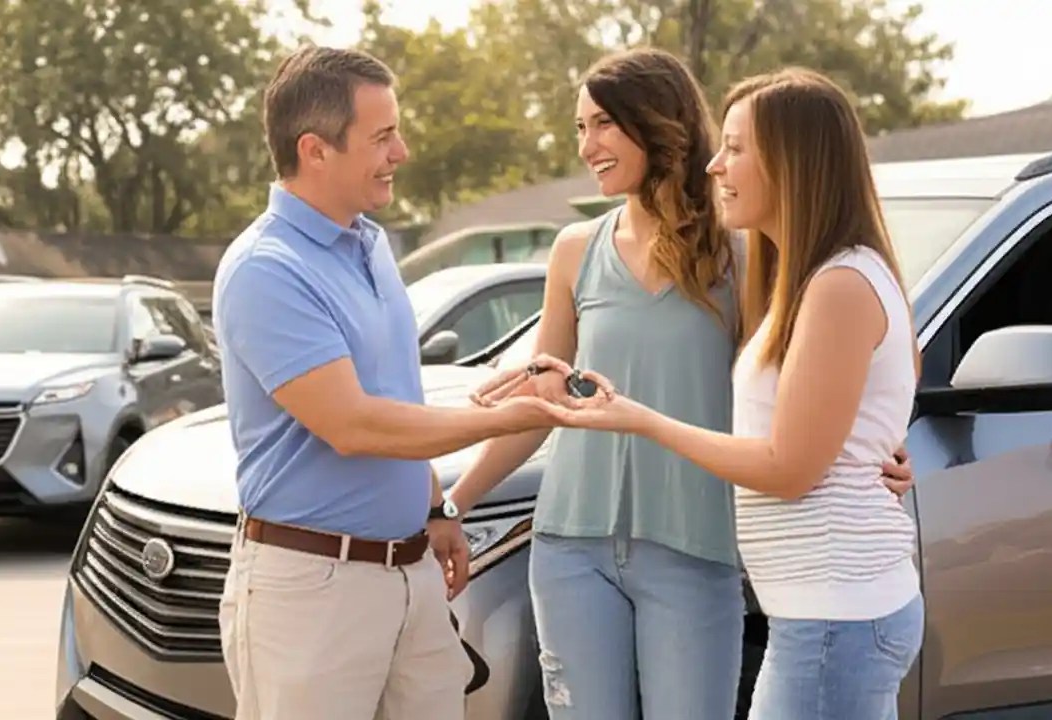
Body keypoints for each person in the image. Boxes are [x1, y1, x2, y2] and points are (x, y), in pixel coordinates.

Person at [448, 49, 913, 720]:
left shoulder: (746, 250)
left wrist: (884, 444)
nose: (588, 146)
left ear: (656, 122)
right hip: (571, 548)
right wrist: (455, 503)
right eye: (580, 128)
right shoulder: (575, 250)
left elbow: (851, 362)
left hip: (696, 549)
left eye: (603, 123)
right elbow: (541, 403)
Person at [210, 45, 564, 720]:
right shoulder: (267, 269)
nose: (400, 151)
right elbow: (355, 425)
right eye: (382, 137)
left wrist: (435, 507)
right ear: (315, 150)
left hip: (412, 576)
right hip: (313, 593)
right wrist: (511, 417)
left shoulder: (369, 244)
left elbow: (393, 399)